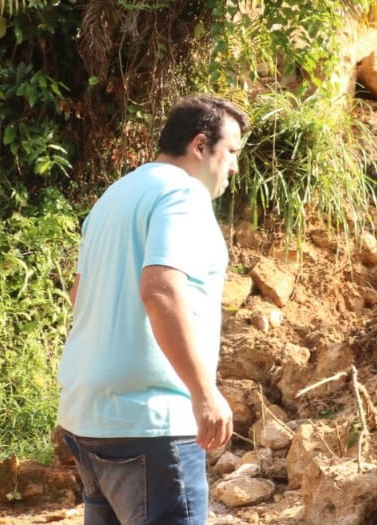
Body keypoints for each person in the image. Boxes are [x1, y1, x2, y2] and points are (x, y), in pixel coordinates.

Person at [57, 95, 249, 525]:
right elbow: (161, 289)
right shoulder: (184, 194)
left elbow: (79, 294)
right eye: (232, 152)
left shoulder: (115, 195)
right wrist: (203, 393)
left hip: (86, 419)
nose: (234, 167)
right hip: (151, 422)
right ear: (200, 146)